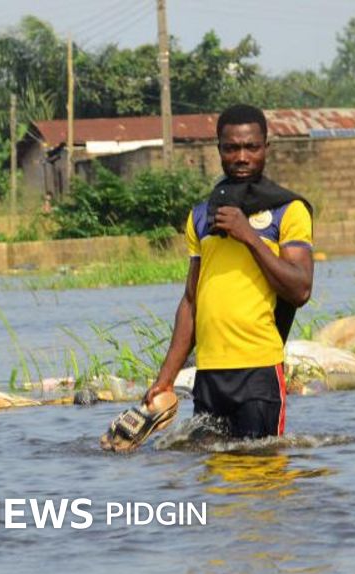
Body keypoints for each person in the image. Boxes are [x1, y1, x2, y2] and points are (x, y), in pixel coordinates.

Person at [140, 103, 314, 439]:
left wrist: (249, 236)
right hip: (209, 373)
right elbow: (191, 301)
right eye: (231, 148)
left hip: (258, 371)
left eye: (251, 147)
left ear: (266, 148)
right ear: (219, 150)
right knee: (212, 479)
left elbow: (301, 290)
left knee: (262, 472)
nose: (242, 157)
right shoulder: (202, 216)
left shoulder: (288, 211)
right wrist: (165, 378)